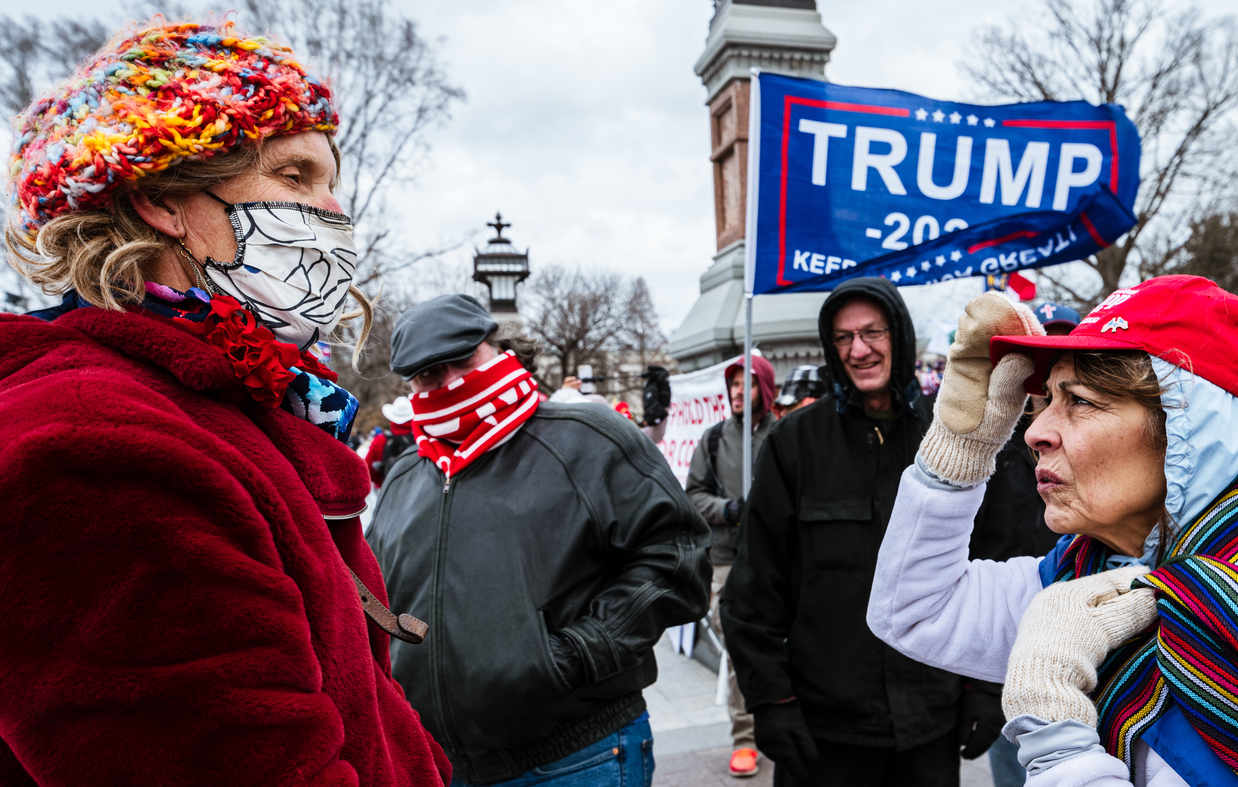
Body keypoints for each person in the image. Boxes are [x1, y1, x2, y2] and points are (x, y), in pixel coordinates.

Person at [0, 20, 450, 785]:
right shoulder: (94, 444)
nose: (334, 212)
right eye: (295, 176)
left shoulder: (226, 404)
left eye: (331, 182)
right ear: (161, 200)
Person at [868, 275, 1238, 786]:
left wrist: (1054, 731)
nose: (1034, 431)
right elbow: (913, 610)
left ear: (1186, 430)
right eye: (1046, 400)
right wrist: (960, 449)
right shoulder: (1085, 578)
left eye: (1079, 400)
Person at [367, 293, 711, 787]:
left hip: (577, 755)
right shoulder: (404, 477)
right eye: (429, 374)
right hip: (439, 765)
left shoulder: (589, 440)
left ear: (496, 348)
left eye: (463, 360)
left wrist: (576, 654)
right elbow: (377, 596)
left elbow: (677, 558)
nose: (451, 382)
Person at [721, 278, 993, 787]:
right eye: (844, 337)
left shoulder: (952, 435)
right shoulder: (793, 443)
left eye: (872, 332)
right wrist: (770, 698)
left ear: (900, 336)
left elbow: (995, 562)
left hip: (930, 723)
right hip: (823, 730)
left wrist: (987, 686)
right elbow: (754, 586)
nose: (858, 349)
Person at [974, 301, 1079, 787]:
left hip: (1085, 655)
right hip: (1009, 660)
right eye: (1043, 360)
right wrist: (978, 686)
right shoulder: (991, 446)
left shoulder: (1101, 446)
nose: (1051, 376)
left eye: (1065, 355)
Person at [685, 353, 778, 778]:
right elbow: (693, 496)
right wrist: (727, 509)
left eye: (749, 383)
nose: (739, 392)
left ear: (765, 388)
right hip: (726, 560)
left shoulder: (785, 434)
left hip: (777, 560)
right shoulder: (713, 440)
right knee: (741, 648)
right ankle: (745, 738)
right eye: (735, 384)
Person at [365, 395, 416, 489]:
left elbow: (367, 468)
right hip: (415, 489)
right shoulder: (419, 440)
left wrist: (383, 483)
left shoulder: (380, 441)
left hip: (388, 489)